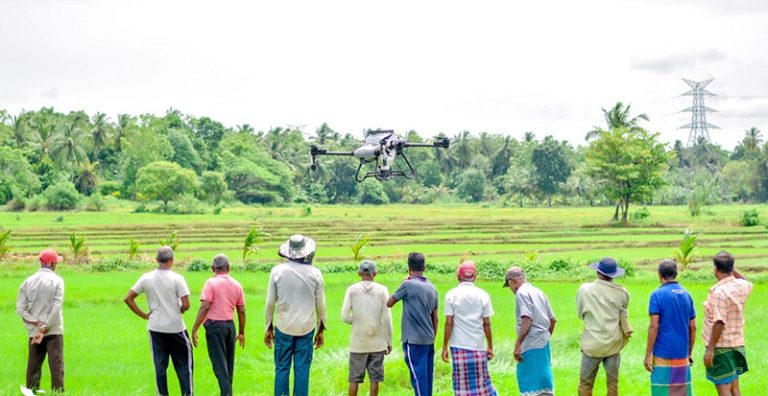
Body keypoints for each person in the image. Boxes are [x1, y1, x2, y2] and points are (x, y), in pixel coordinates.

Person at [124, 246, 193, 396]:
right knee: (184, 365)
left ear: (156, 260)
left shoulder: (146, 278)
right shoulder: (177, 278)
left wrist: (144, 315)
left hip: (155, 327)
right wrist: (181, 309)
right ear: (172, 260)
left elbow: (128, 298)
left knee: (160, 366)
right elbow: (186, 304)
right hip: (176, 327)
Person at [265, 234, 327, 396]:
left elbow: (270, 302)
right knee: (302, 369)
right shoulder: (315, 273)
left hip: (283, 327)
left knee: (282, 367)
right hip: (306, 328)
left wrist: (268, 327)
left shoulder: (277, 271)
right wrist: (321, 329)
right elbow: (321, 305)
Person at [191, 254, 246, 396]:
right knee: (228, 365)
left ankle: (226, 393)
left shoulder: (211, 283)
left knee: (219, 365)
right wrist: (241, 332)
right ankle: (227, 393)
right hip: (230, 327)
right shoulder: (236, 284)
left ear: (213, 268)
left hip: (214, 327)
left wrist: (195, 328)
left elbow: (205, 306)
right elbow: (241, 310)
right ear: (229, 268)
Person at [576, 257, 631, 396]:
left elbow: (581, 314)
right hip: (613, 343)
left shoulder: (584, 289)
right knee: (613, 383)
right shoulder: (622, 292)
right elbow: (623, 313)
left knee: (585, 383)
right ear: (614, 275)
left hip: (592, 344)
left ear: (597, 271)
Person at [387, 252, 439, 396]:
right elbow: (435, 319)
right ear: (424, 268)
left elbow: (389, 303)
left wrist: (403, 282)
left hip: (413, 341)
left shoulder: (407, 285)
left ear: (409, 268)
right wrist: (432, 337)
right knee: (426, 379)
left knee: (417, 379)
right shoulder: (432, 288)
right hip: (429, 340)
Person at [441, 261, 497, 396]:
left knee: (462, 384)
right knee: (483, 383)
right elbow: (487, 323)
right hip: (478, 346)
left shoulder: (451, 295)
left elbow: (449, 323)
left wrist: (444, 347)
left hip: (458, 347)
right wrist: (490, 346)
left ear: (458, 276)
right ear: (475, 276)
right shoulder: (483, 295)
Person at [702, 251, 753, 396]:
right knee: (735, 389)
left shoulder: (719, 292)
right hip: (737, 344)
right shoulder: (740, 285)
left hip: (721, 347)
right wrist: (731, 269)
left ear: (716, 269)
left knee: (723, 389)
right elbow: (745, 281)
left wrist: (710, 350)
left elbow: (719, 322)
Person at [643, 259, 696, 396]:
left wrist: (648, 355)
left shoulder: (657, 295)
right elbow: (693, 327)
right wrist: (689, 352)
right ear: (676, 274)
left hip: (662, 353)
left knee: (662, 391)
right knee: (681, 392)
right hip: (682, 353)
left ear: (660, 274)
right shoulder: (687, 295)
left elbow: (654, 326)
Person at [341, 260, 393, 396]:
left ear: (359, 273)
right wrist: (389, 341)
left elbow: (344, 316)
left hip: (358, 343)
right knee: (375, 379)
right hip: (377, 342)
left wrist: (358, 321)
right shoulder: (382, 290)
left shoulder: (352, 290)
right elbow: (387, 319)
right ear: (375, 273)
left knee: (354, 379)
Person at [16, 249, 65, 393]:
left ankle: (31, 393)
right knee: (56, 366)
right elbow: (56, 306)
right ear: (52, 263)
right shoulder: (57, 280)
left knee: (33, 367)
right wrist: (46, 325)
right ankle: (58, 393)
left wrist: (36, 323)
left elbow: (20, 308)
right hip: (53, 330)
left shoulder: (28, 281)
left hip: (35, 332)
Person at [504, 266, 556, 396]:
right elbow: (553, 320)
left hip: (530, 344)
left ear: (512, 280)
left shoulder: (521, 293)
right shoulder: (538, 292)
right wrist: (545, 337)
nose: (511, 289)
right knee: (544, 382)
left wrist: (518, 344)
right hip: (543, 343)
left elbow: (527, 319)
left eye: (509, 285)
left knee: (529, 383)